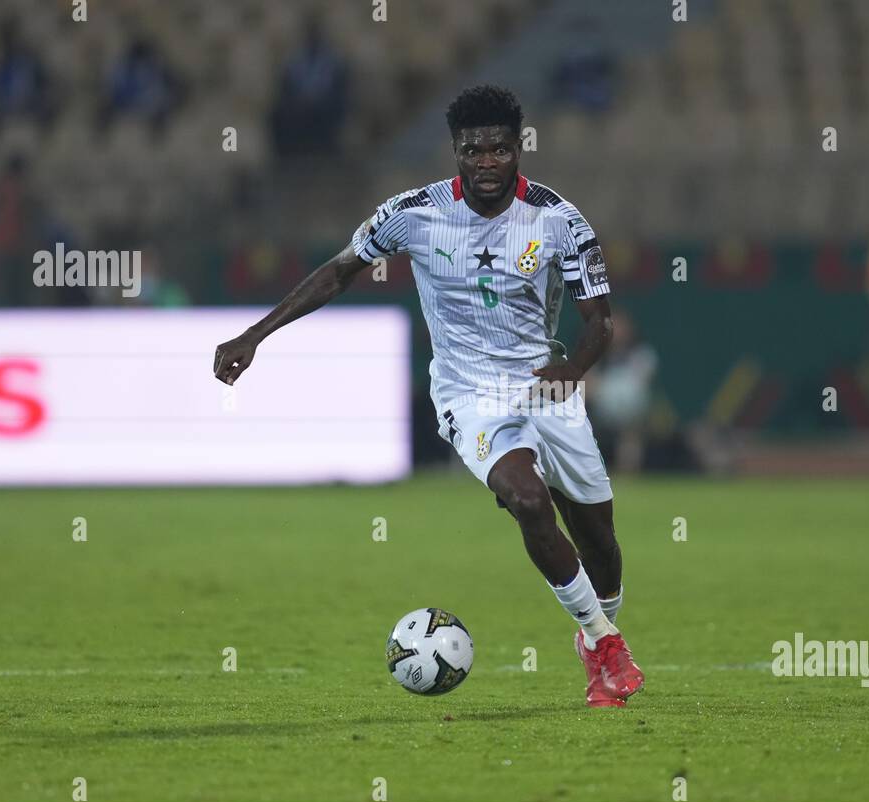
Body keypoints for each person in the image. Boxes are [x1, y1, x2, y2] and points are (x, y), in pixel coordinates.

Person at [214, 85, 643, 708]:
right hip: (468, 390)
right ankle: (603, 643)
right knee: (526, 501)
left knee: (599, 539)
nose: (487, 161)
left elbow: (600, 322)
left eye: (499, 148)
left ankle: (598, 628)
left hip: (544, 383)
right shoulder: (412, 213)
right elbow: (338, 271)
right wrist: (256, 334)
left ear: (517, 149)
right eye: (474, 150)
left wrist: (572, 370)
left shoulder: (559, 220)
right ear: (456, 152)